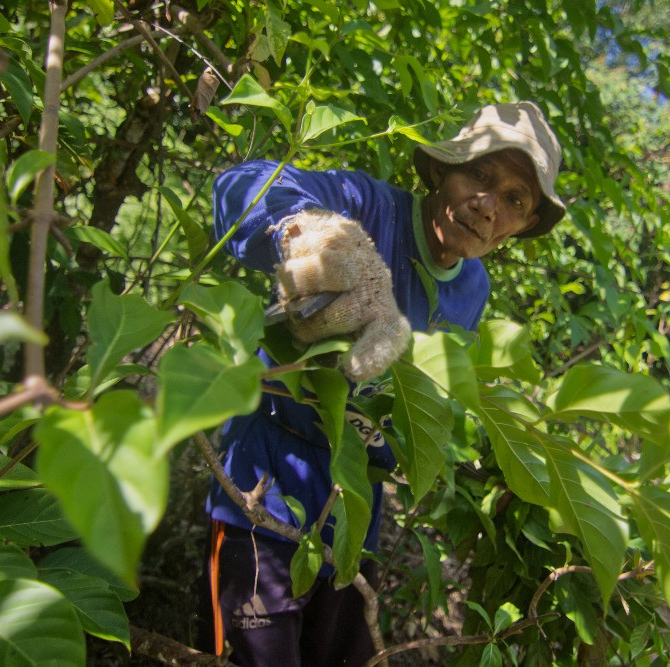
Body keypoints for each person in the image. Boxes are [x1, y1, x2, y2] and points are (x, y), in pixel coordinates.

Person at [204, 101, 566, 665]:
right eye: (480, 175)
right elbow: (239, 187)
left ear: (521, 226)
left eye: (515, 200)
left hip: (353, 514)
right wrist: (310, 236)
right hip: (265, 486)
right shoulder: (368, 206)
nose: (488, 204)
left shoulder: (473, 289)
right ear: (443, 171)